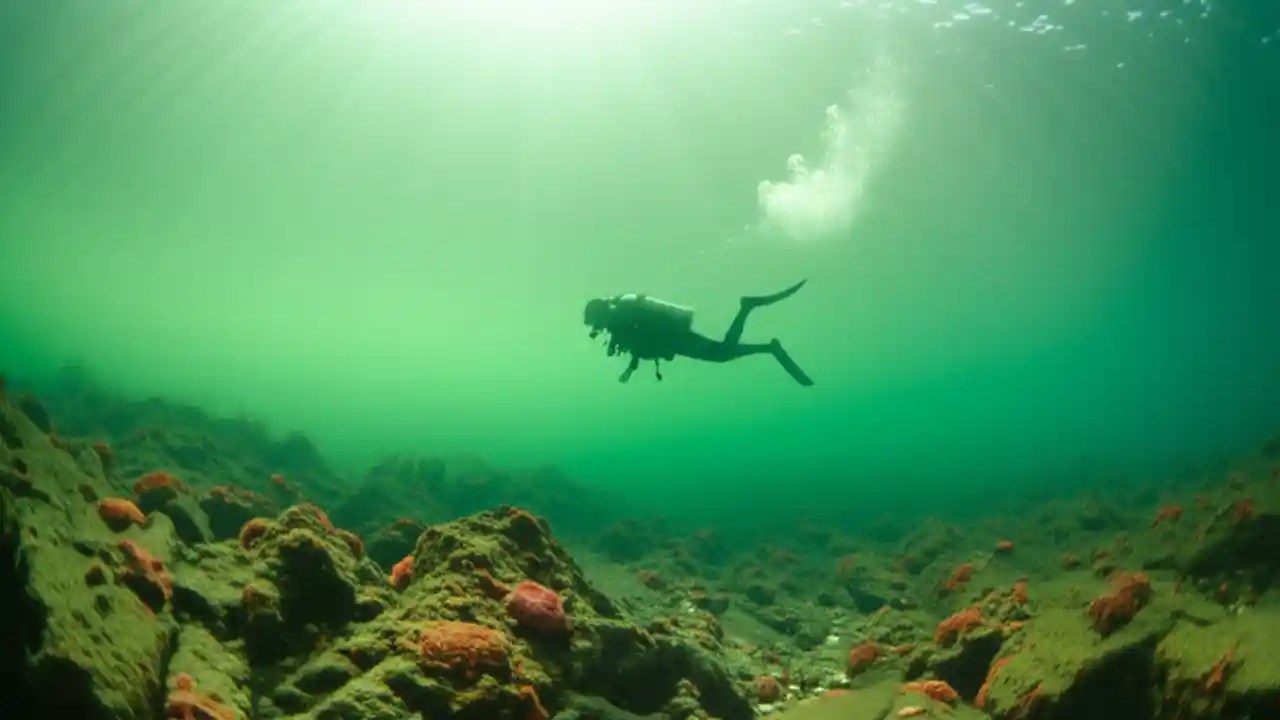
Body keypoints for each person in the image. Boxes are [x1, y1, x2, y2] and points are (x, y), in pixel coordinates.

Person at [582, 280, 814, 386]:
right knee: (721, 353)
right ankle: (767, 346)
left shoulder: (621, 318)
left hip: (677, 339)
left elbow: (641, 341)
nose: (597, 328)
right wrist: (630, 371)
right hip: (675, 340)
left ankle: (748, 309)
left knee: (721, 353)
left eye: (595, 322)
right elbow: (639, 345)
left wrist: (630, 369)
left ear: (600, 314)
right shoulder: (620, 320)